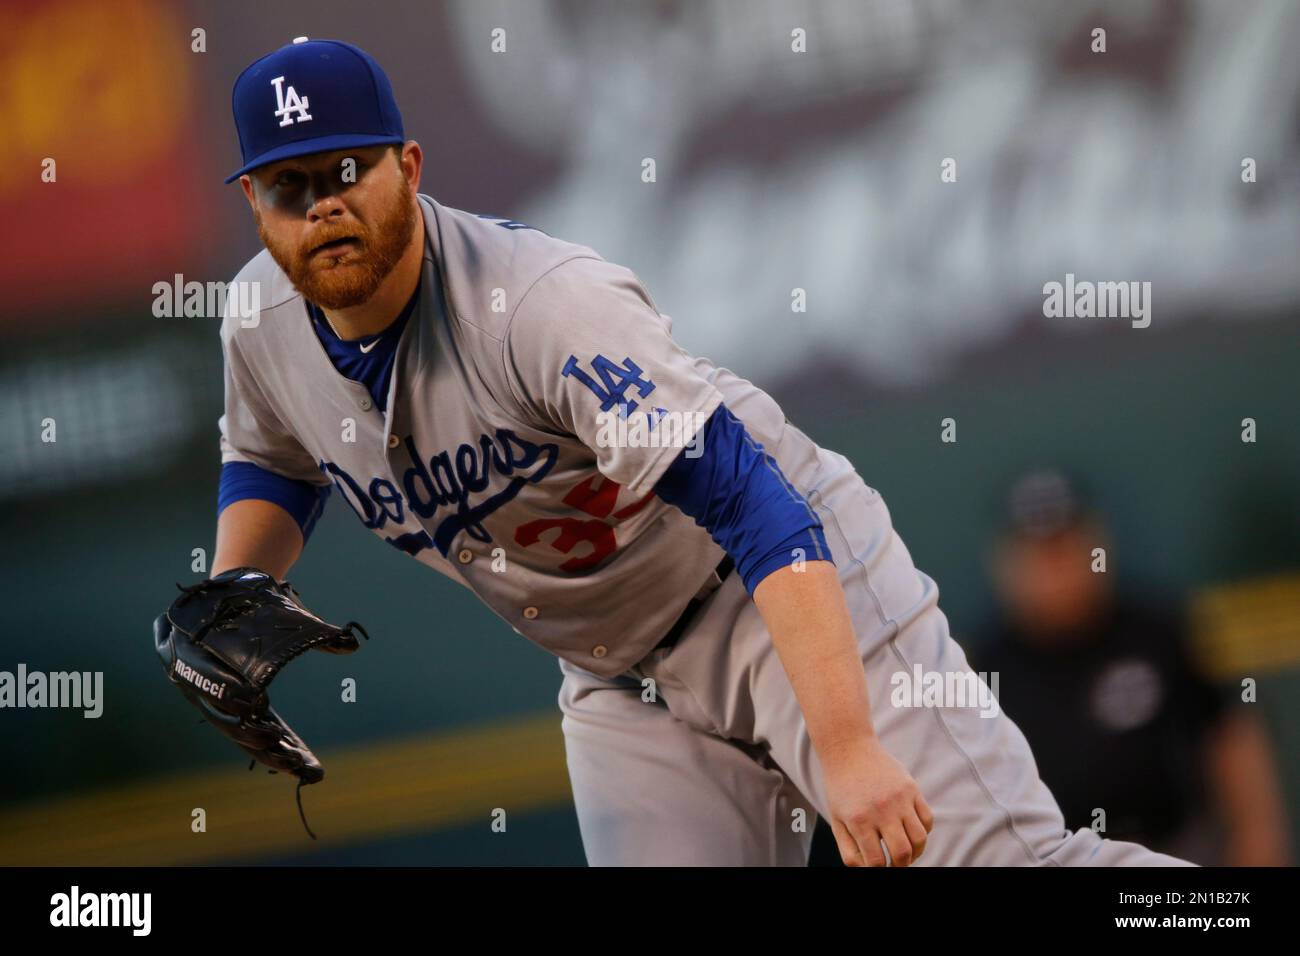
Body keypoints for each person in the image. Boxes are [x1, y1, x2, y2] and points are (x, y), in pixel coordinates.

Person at [210, 37, 1193, 866]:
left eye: (347, 170)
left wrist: (844, 743)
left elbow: (751, 501)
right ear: (254, 202)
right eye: (290, 185)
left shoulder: (539, 305)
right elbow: (272, 458)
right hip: (617, 674)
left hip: (774, 590)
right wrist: (231, 584)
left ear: (408, 170)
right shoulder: (259, 320)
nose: (323, 203)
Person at [972, 468, 1291, 866]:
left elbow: (1229, 736)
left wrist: (1258, 841)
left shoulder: (1155, 629)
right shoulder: (985, 664)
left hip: (1175, 852)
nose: (1056, 569)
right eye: (1040, 553)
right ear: (1007, 561)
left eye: (1066, 546)